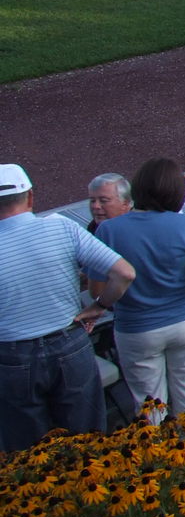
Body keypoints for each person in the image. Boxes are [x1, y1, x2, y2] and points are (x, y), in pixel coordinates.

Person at [0, 163, 136, 451]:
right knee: (88, 441)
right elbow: (124, 273)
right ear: (30, 197)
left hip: (11, 354)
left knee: (27, 450)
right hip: (69, 342)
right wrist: (99, 306)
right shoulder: (61, 227)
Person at [97, 156, 185, 418]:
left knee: (149, 405)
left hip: (136, 329)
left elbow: (98, 291)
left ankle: (155, 445)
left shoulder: (108, 230)